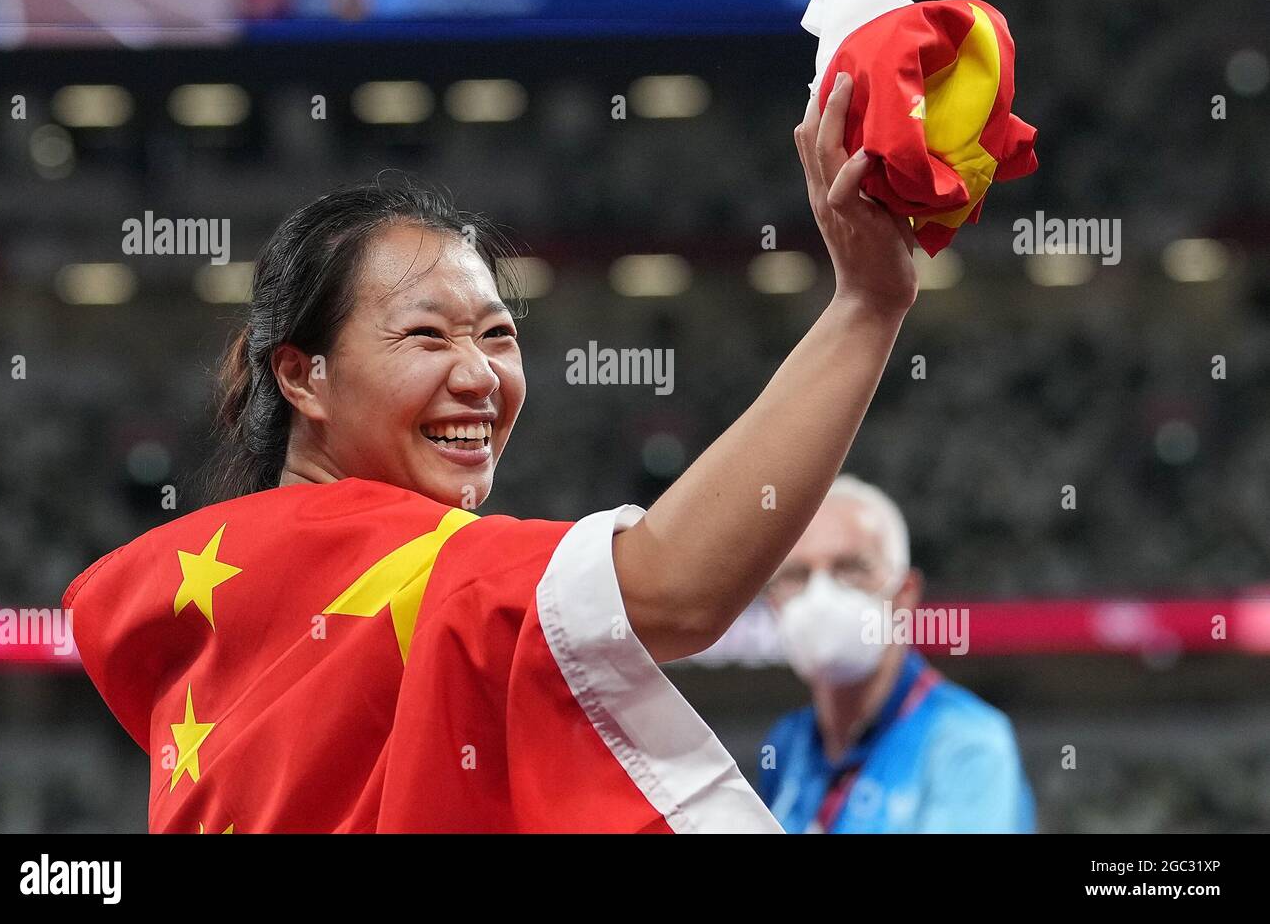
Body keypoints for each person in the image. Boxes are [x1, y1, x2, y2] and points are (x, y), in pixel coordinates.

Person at [63, 75, 920, 832]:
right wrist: (866, 306)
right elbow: (680, 590)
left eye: (497, 334)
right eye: (426, 334)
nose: (478, 374)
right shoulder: (406, 567)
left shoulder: (230, 594)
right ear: (304, 377)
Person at [758, 475, 1036, 833]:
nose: (821, 598)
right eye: (797, 575)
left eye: (850, 569)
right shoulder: (787, 743)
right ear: (773, 603)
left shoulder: (968, 743)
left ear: (904, 594)